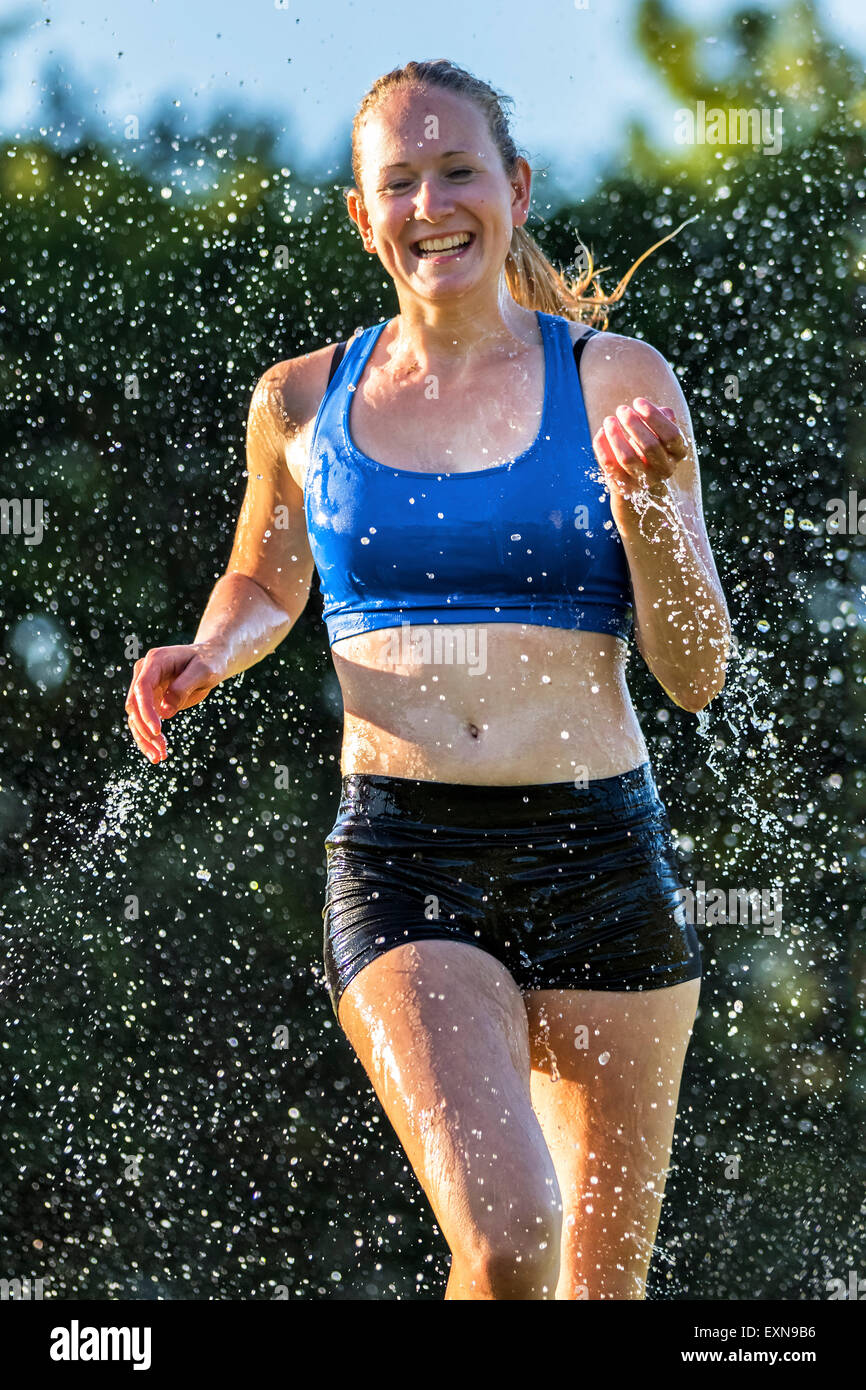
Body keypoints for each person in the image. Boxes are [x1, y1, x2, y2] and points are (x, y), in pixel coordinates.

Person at [125, 58, 731, 1300]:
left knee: (597, 1294)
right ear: (363, 214)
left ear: (511, 188)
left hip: (602, 856)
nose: (429, 201)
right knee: (510, 1242)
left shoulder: (616, 381)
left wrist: (656, 509)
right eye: (397, 180)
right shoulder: (299, 399)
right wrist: (210, 648)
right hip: (407, 859)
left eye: (457, 170)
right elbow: (268, 582)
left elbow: (695, 674)